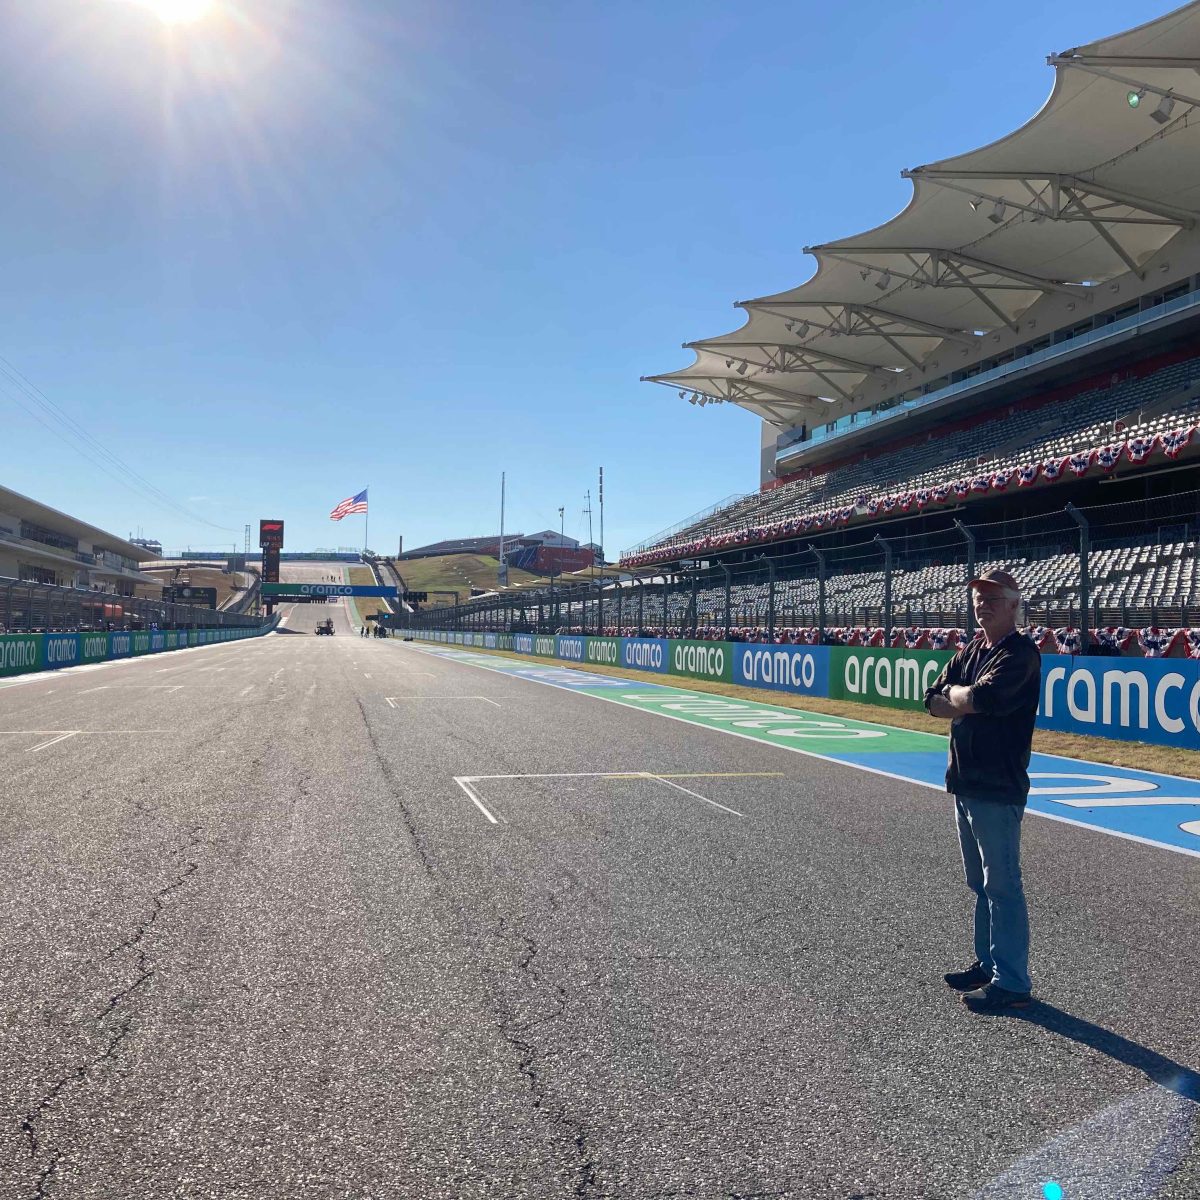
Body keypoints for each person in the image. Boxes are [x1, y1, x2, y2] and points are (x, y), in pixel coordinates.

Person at [923, 568, 1042, 1013]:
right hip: (965, 781)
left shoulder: (1020, 654)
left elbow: (984, 702)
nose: (983, 603)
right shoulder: (972, 649)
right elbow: (930, 699)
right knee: (980, 883)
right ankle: (988, 962)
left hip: (998, 785)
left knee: (1002, 885)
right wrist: (959, 696)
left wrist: (957, 698)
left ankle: (1012, 981)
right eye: (978, 596)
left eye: (993, 597)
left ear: (1014, 604)